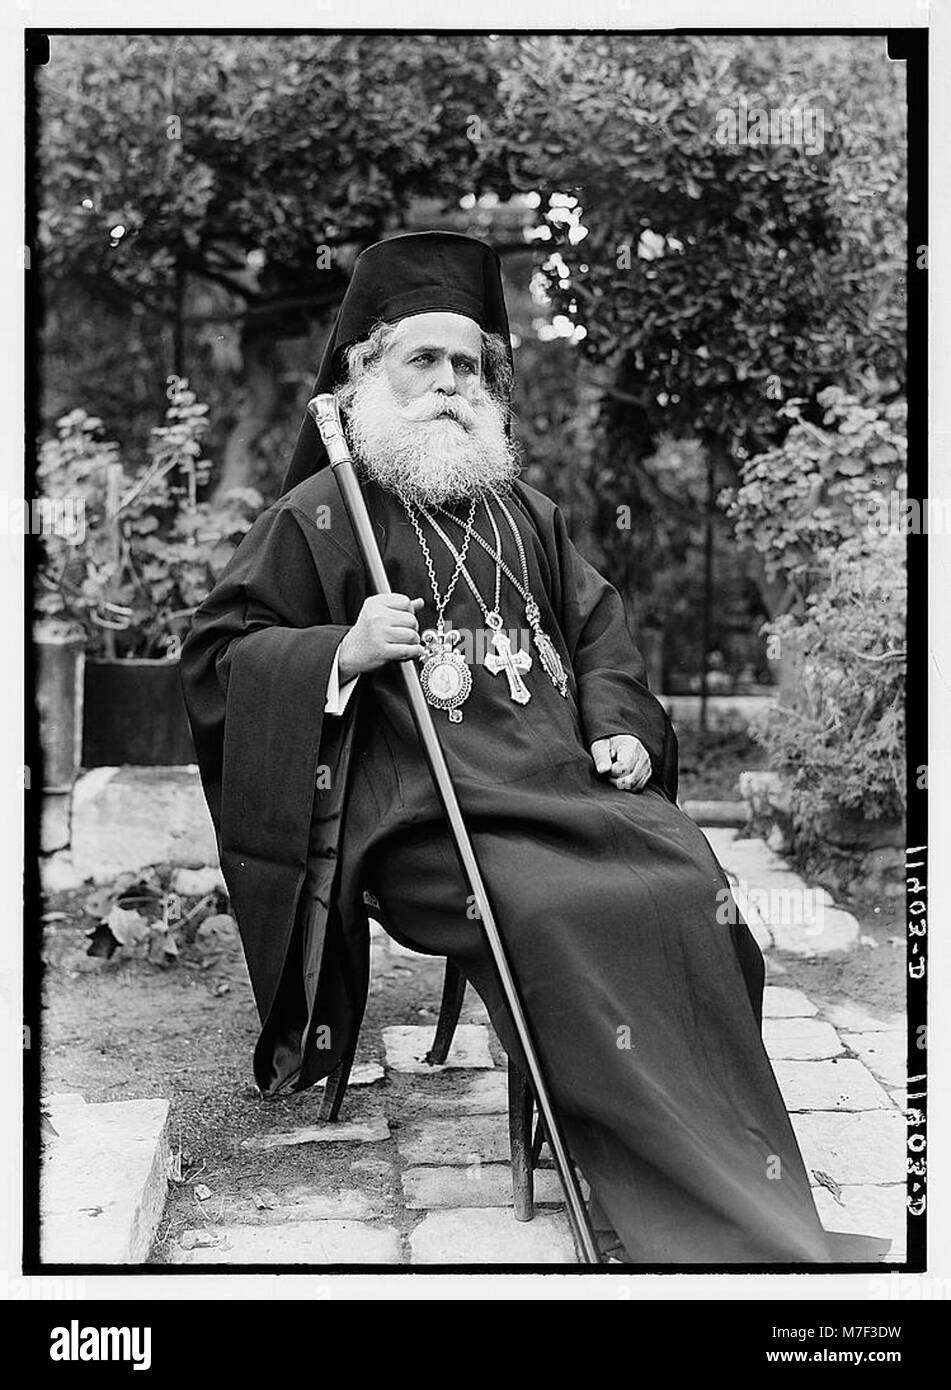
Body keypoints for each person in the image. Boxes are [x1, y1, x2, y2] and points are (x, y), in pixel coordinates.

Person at [180, 231, 886, 1265]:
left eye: (469, 363)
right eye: (423, 360)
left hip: (565, 794)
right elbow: (216, 657)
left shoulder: (528, 511)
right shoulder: (325, 517)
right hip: (430, 817)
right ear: (366, 371)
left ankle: (697, 1148)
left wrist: (622, 732)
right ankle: (667, 1180)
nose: (452, 383)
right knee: (560, 913)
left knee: (697, 881)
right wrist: (340, 648)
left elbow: (604, 636)